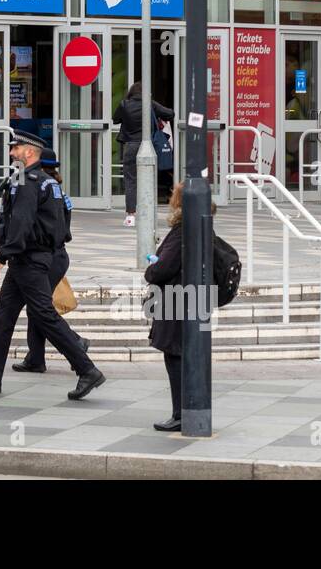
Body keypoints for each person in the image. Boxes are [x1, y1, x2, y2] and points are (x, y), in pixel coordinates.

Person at [0, 131, 106, 400]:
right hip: (27, 261)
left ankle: (87, 369)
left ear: (29, 152)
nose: (11, 151)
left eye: (15, 147)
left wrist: (1, 257)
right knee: (3, 318)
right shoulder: (46, 182)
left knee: (44, 316)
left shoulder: (29, 181)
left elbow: (21, 223)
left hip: (29, 260)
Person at [143, 181, 217, 432]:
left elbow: (163, 268)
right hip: (194, 299)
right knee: (188, 354)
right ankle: (190, 409)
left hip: (176, 301)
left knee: (175, 356)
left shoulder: (182, 229)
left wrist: (152, 268)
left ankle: (180, 413)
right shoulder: (204, 225)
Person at [9, 148, 72, 373]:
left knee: (41, 309)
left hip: (49, 255)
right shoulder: (56, 190)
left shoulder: (42, 188)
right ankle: (35, 358)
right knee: (38, 309)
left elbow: (50, 228)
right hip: (55, 255)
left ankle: (75, 343)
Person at [112, 81, 174, 228]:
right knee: (150, 178)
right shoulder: (150, 104)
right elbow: (170, 113)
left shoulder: (124, 104)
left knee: (130, 180)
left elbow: (115, 119)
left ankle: (130, 216)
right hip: (149, 145)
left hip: (131, 146)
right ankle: (148, 212)